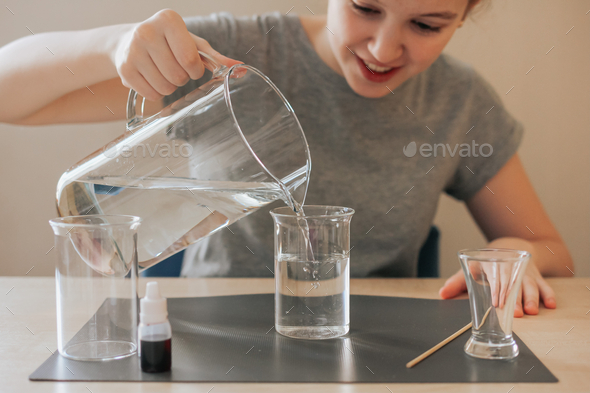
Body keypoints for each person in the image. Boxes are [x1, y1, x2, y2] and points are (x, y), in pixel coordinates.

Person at [0, 0, 573, 317]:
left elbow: (551, 249)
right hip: (207, 339)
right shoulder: (230, 60)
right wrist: (114, 44)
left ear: (465, 16)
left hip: (372, 353)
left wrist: (515, 253)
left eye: (426, 24)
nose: (383, 49)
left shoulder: (458, 101)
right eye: (365, 7)